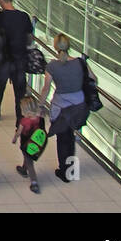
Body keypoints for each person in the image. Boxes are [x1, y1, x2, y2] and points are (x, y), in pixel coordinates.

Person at [38, 33, 89, 184]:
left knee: (62, 138)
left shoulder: (52, 66)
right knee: (71, 137)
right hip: (78, 106)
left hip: (61, 107)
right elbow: (93, 78)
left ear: (55, 47)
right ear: (69, 46)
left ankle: (63, 171)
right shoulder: (80, 63)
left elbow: (46, 88)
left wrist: (40, 105)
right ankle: (71, 170)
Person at [0, 0, 34, 125]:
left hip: (4, 59)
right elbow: (30, 39)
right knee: (20, 91)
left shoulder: (0, 17)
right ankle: (20, 118)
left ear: (1, 1)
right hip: (20, 59)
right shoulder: (24, 17)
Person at [13, 93, 46, 194]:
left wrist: (15, 138)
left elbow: (19, 132)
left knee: (29, 162)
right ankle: (23, 168)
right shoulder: (40, 117)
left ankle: (34, 182)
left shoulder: (24, 121)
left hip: (26, 144)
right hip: (38, 143)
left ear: (25, 110)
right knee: (28, 158)